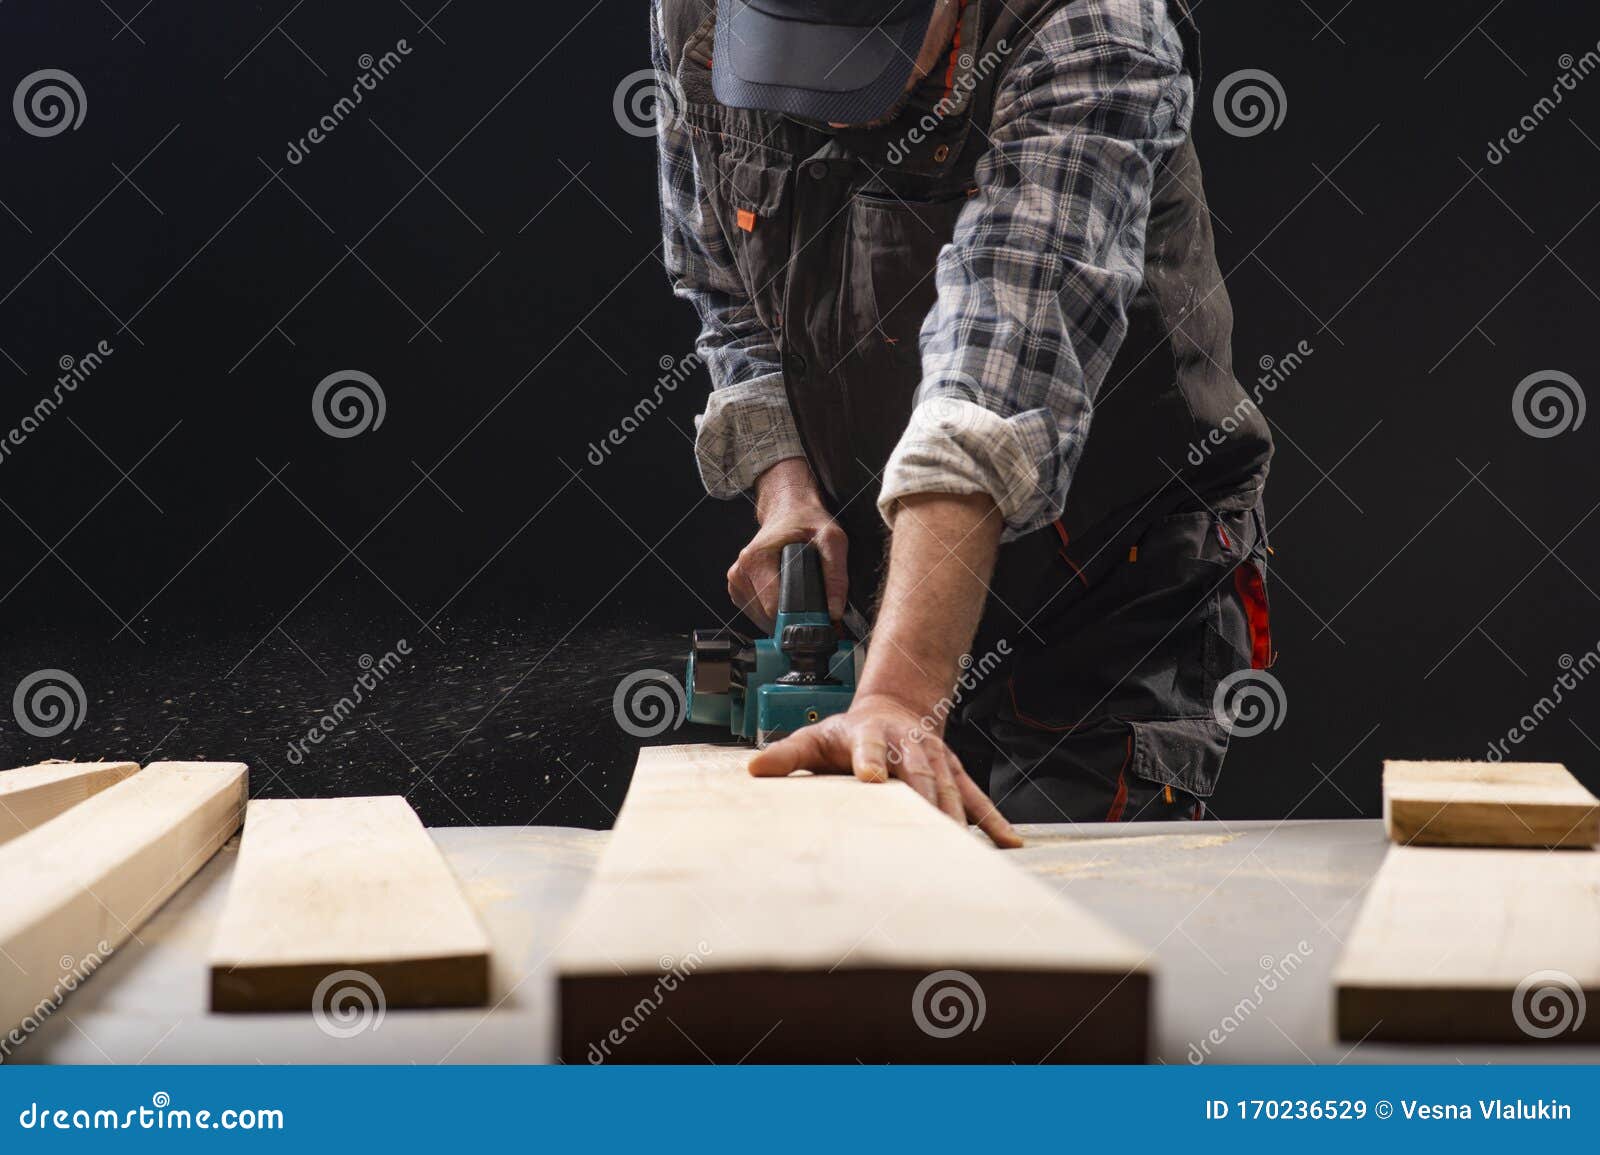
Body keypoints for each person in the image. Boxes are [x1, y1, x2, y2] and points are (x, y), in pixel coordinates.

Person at [653, 0, 1274, 845]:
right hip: (898, 575)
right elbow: (722, 284)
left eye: (862, 54)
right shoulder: (695, 12)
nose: (828, 106)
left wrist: (897, 697)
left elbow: (995, 378)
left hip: (1107, 582)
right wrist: (786, 487)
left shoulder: (1094, 28)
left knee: (1053, 935)